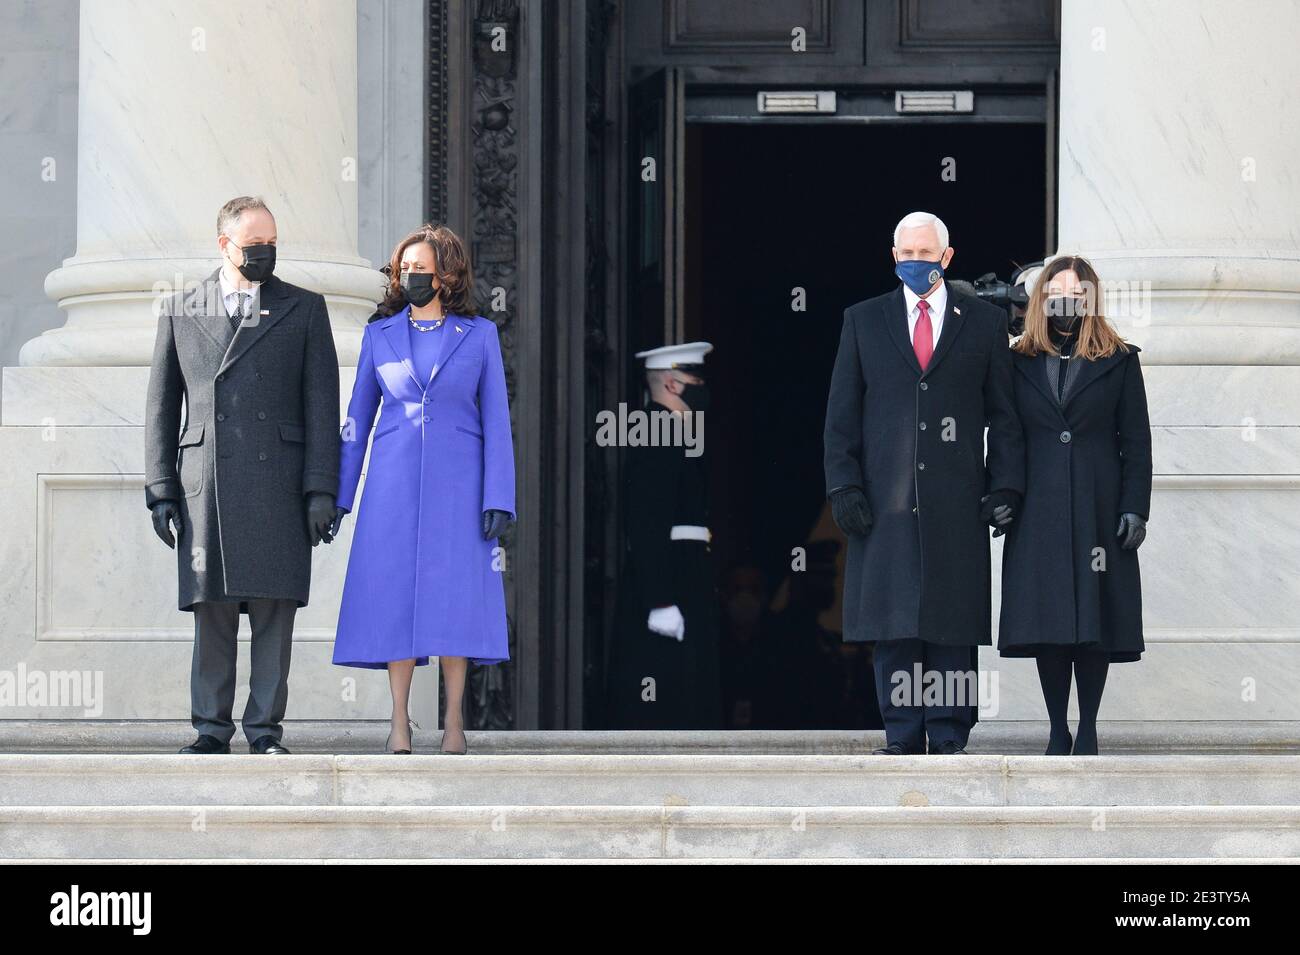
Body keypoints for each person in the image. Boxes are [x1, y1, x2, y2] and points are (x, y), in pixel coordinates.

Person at [824, 211, 1025, 755]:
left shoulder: (983, 323)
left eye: (925, 253)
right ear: (894, 258)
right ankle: (903, 733)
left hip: (956, 500)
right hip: (885, 500)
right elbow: (841, 415)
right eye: (906, 254)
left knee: (951, 620)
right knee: (894, 622)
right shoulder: (863, 321)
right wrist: (844, 485)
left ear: (947, 257)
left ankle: (950, 731)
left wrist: (1004, 487)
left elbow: (1004, 417)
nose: (916, 262)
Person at [145, 196, 340, 755]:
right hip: (206, 482)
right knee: (213, 609)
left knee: (276, 611)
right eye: (255, 245)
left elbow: (321, 405)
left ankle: (264, 731)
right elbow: (162, 408)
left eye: (272, 244)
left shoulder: (304, 308)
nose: (265, 254)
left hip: (279, 481)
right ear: (224, 245)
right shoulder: (182, 310)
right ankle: (210, 729)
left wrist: (320, 488)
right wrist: (160, 489)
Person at [331, 224, 515, 755]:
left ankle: (454, 722)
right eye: (403, 269)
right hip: (392, 485)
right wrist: (341, 497)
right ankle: (399, 720)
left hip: (461, 486)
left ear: (447, 273)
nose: (409, 277)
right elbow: (356, 419)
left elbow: (498, 423)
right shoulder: (379, 335)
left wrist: (499, 496)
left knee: (455, 600)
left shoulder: (478, 335)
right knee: (395, 599)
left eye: (420, 269)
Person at [999, 255, 1152, 755]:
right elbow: (1007, 437)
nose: (1066, 300)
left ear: (1090, 299)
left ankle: (1087, 726)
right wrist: (1001, 494)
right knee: (1050, 623)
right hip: (1038, 506)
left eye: (1076, 292)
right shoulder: (1016, 361)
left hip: (1098, 505)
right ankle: (1055, 727)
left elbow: (1136, 441)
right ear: (1042, 299)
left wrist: (1136, 507)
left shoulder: (1120, 359)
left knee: (1094, 622)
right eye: (1057, 291)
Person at [606, 342, 722, 730]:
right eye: (696, 379)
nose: (702, 387)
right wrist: (660, 599)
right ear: (672, 384)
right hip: (670, 579)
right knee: (667, 692)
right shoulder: (658, 431)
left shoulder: (674, 432)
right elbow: (645, 519)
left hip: (684, 573)